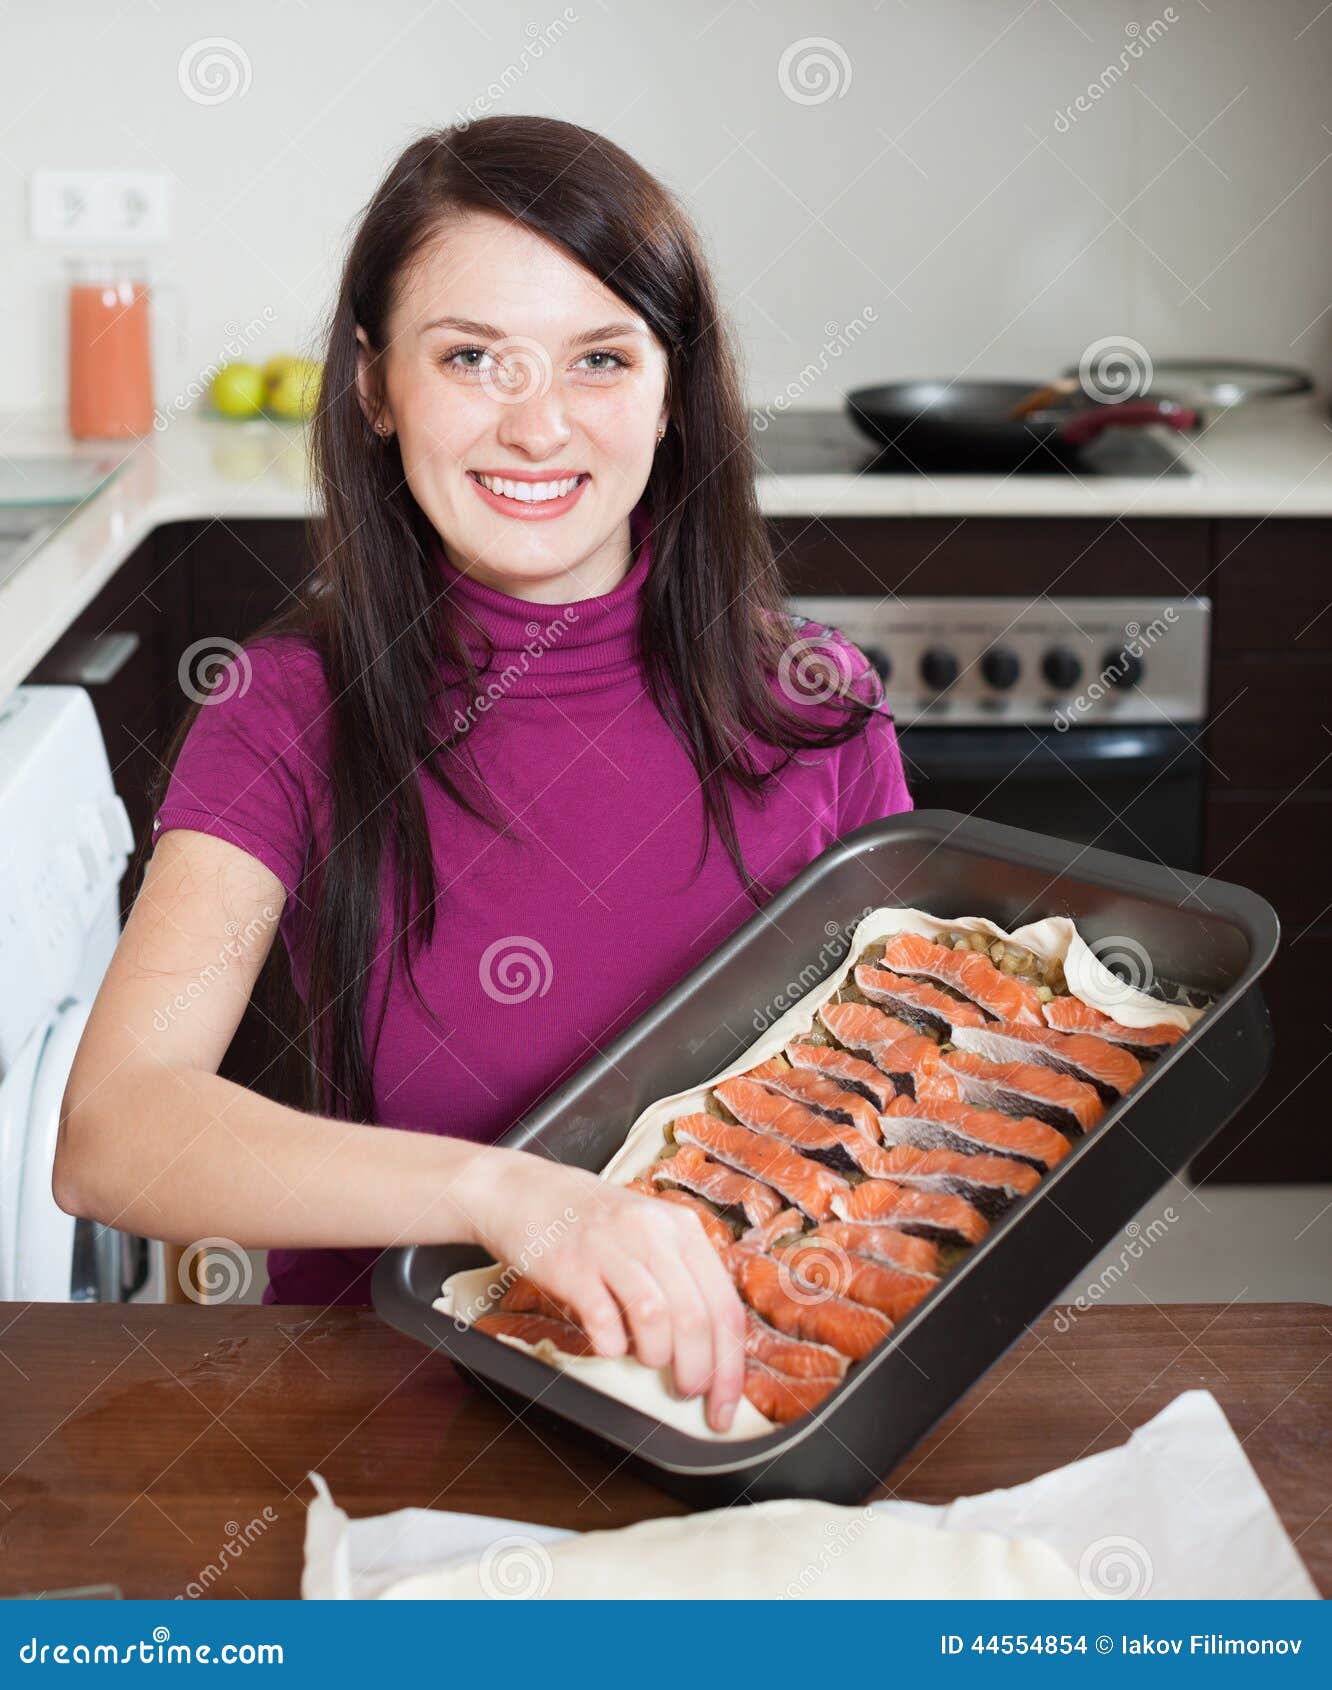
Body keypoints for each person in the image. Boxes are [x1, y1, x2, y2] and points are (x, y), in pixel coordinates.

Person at [55, 115, 912, 1433]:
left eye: (600, 359)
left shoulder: (818, 709)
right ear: (375, 386)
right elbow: (114, 1132)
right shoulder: (286, 710)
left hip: (737, 1404)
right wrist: (501, 1192)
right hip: (388, 1415)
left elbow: (900, 1111)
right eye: (471, 357)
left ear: (672, 392)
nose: (537, 425)